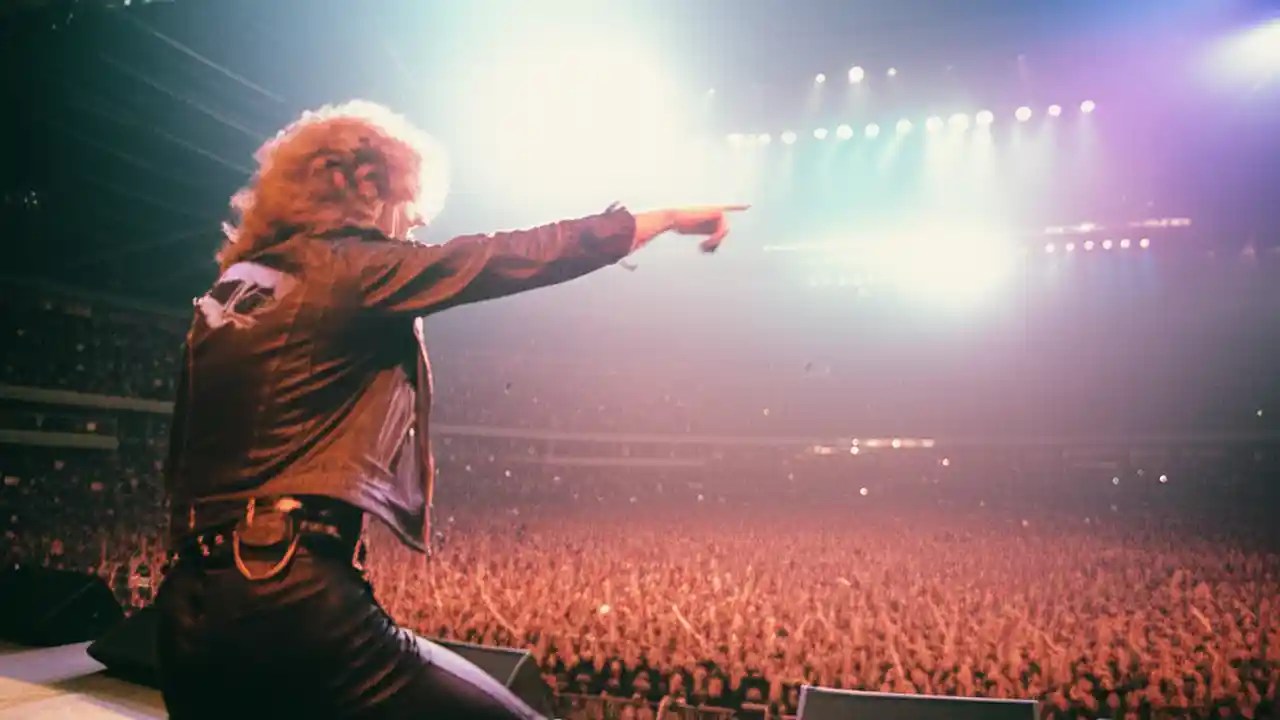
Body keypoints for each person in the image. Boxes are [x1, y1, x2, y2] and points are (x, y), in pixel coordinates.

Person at [154, 99, 747, 719]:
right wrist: (658, 219)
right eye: (407, 212)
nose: (409, 230)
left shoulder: (230, 290)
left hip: (187, 615)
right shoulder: (348, 268)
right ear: (365, 185)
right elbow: (499, 258)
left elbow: (180, 459)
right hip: (286, 596)